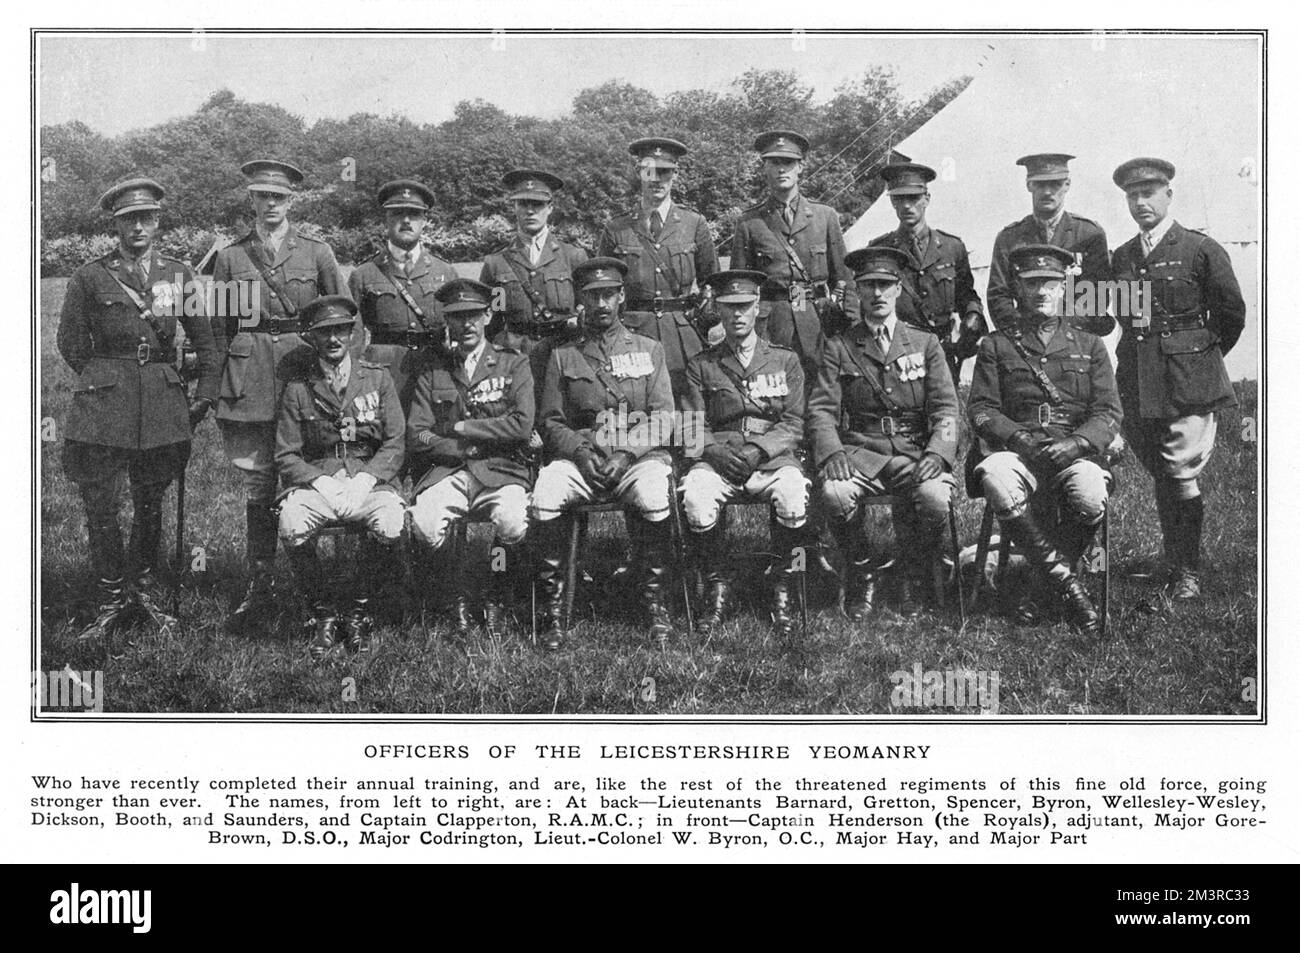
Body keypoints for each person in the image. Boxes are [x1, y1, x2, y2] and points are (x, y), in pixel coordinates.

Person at [57, 177, 220, 640]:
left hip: (163, 402)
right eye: (129, 220)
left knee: (151, 501)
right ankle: (109, 596)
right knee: (101, 504)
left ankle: (141, 591)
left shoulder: (179, 274)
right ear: (117, 226)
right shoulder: (90, 276)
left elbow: (206, 341)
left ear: (157, 222)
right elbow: (70, 342)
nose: (138, 228)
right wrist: (105, 378)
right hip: (105, 405)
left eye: (146, 218)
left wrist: (204, 396)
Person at [212, 159, 349, 634]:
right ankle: (260, 584)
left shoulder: (317, 252)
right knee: (257, 485)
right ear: (250, 200)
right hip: (249, 379)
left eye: (278, 197)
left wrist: (340, 380)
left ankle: (322, 589)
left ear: (292, 201)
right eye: (261, 196)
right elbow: (218, 328)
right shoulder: (230, 258)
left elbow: (345, 319)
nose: (270, 204)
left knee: (309, 475)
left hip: (302, 376)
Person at [1109, 158, 1246, 600]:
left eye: (1149, 193)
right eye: (1133, 195)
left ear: (1169, 195)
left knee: (1180, 471)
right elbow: (1119, 316)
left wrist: (1199, 360)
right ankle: (1174, 562)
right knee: (1162, 472)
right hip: (1136, 380)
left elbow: (1230, 315)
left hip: (1187, 382)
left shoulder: (1200, 249)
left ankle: (1187, 572)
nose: (1141, 202)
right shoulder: (1123, 257)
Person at [967, 245, 1122, 633]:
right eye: (1032, 283)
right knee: (997, 476)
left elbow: (1109, 412)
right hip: (1018, 452)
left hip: (1072, 451)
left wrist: (1078, 444)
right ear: (1018, 288)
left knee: (1089, 492)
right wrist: (1018, 438)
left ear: (1064, 288)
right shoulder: (996, 345)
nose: (1041, 292)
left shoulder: (1090, 345)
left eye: (1050, 283)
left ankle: (1040, 587)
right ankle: (1067, 585)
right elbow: (982, 409)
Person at [530, 257, 677, 651]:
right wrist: (579, 454)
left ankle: (655, 605)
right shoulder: (563, 356)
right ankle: (554, 612)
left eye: (609, 294)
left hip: (635, 457)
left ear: (622, 297)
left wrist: (628, 453)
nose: (601, 304)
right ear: (580, 299)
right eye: (593, 296)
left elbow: (665, 417)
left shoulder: (649, 349)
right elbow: (551, 420)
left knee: (652, 494)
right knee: (545, 493)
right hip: (583, 458)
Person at [807, 245, 960, 619]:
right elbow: (822, 411)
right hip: (861, 451)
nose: (877, 294)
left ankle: (914, 572)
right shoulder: (840, 347)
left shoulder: (925, 343)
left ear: (898, 289)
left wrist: (938, 454)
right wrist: (832, 453)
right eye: (868, 285)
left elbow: (947, 410)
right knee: (835, 493)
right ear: (857, 291)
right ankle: (862, 569)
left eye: (885, 285)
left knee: (935, 497)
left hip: (914, 452)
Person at [275, 296, 405, 659]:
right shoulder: (299, 387)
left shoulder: (377, 379)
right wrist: (320, 481)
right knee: (291, 522)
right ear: (312, 339)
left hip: (369, 479)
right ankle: (324, 615)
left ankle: (358, 613)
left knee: (392, 522)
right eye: (324, 333)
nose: (333, 339)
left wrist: (367, 479)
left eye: (341, 331)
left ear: (353, 334)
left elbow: (395, 441)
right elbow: (286, 453)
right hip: (320, 479)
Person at [681, 270, 808, 638]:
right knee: (696, 498)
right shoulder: (701, 364)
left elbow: (795, 422)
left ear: (759, 309)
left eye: (745, 307)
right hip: (720, 457)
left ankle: (781, 586)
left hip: (770, 459)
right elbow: (690, 425)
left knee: (793, 495)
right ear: (718, 311)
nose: (737, 315)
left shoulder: (785, 360)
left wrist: (759, 450)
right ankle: (718, 586)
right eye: (728, 307)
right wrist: (714, 453)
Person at [406, 279, 534, 638]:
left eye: (473, 316)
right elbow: (417, 432)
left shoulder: (512, 363)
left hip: (501, 469)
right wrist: (458, 448)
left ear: (488, 316)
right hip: (449, 470)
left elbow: (522, 425)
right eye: (457, 317)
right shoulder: (433, 369)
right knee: (426, 523)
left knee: (513, 522)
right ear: (447, 321)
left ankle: (495, 592)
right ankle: (457, 598)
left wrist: (464, 426)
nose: (466, 325)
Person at [597, 137, 720, 401]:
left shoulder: (693, 223)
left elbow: (713, 282)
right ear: (639, 173)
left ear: (675, 174)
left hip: (683, 332)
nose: (656, 179)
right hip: (633, 332)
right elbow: (603, 287)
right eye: (649, 171)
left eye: (663, 171)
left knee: (688, 404)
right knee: (635, 402)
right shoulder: (616, 228)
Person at [729, 130, 854, 383]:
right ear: (765, 168)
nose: (781, 170)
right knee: (773, 390)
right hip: (771, 324)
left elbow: (844, 277)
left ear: (801, 168)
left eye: (788, 163)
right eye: (774, 163)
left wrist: (853, 326)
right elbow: (739, 288)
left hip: (817, 321)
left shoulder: (824, 216)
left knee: (822, 390)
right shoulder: (749, 222)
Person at [348, 179, 458, 414]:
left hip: (433, 369)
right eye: (398, 213)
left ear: (424, 221)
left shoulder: (445, 272)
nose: (406, 221)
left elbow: (458, 331)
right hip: (384, 370)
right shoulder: (364, 274)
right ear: (385, 220)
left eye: (414, 214)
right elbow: (354, 336)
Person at [869, 162, 986, 384]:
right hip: (897, 352)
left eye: (913, 198)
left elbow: (967, 296)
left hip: (943, 352)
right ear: (892, 202)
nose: (906, 206)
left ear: (927, 199)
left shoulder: (952, 247)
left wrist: (973, 316)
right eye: (899, 199)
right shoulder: (880, 251)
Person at [479, 170, 588, 404]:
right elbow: (493, 319)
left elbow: (586, 310)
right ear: (514, 208)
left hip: (561, 354)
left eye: (537, 204)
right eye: (523, 204)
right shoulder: (496, 264)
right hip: (514, 358)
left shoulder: (573, 257)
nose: (530, 211)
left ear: (550, 208)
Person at [987, 153, 1114, 336]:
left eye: (1055, 184)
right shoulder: (1009, 238)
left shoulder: (1090, 234)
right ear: (1029, 185)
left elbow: (1097, 296)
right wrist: (1020, 333)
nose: (1047, 192)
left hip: (1076, 335)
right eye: (1040, 184)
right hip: (1024, 335)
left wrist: (1060, 332)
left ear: (1067, 185)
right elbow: (998, 294)